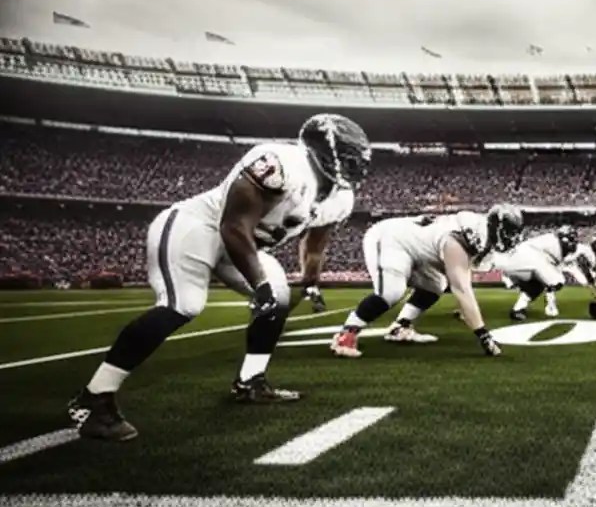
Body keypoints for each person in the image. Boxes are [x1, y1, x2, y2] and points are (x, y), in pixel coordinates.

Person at [68, 114, 370, 441]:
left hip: (242, 244)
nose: (358, 165)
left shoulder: (341, 198)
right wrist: (259, 285)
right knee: (182, 305)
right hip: (199, 226)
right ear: (324, 150)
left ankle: (250, 381)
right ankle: (93, 398)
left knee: (279, 295)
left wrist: (310, 281)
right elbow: (233, 225)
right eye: (350, 156)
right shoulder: (282, 162)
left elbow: (314, 243)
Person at [329, 205, 524, 358]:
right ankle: (346, 334)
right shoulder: (460, 239)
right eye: (509, 232)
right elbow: (462, 289)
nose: (513, 238)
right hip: (391, 239)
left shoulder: (480, 234)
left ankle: (400, 327)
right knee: (392, 291)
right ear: (496, 228)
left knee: (435, 286)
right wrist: (483, 335)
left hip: (418, 251)